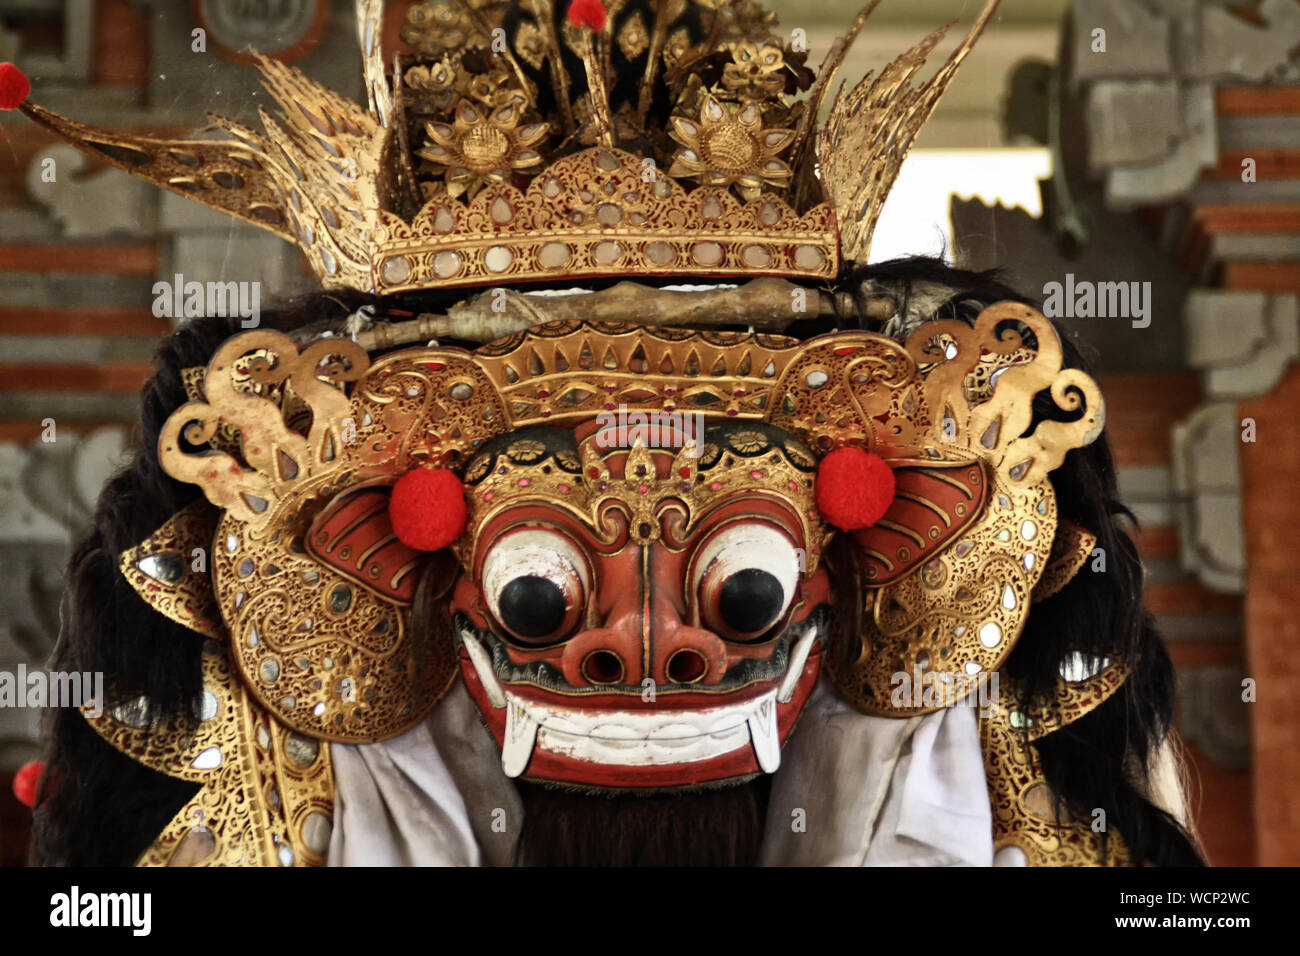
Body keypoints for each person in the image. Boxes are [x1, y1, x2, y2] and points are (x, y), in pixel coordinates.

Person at [5, 0, 1203, 867]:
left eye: (741, 586)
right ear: (377, 552)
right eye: (539, 590)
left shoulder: (960, 776)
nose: (649, 651)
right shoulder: (293, 781)